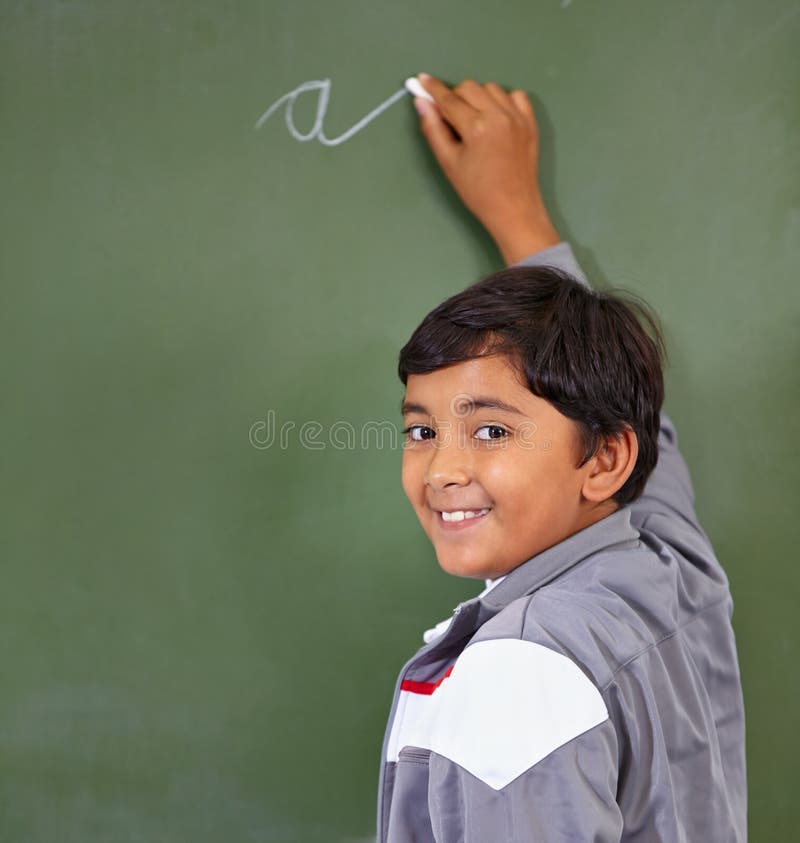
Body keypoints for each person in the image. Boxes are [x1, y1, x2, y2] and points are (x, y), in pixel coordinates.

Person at [376, 74, 747, 842]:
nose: (443, 468)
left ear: (605, 460)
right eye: (421, 430)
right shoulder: (670, 571)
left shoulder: (518, 672)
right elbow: (635, 431)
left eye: (492, 431)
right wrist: (519, 215)